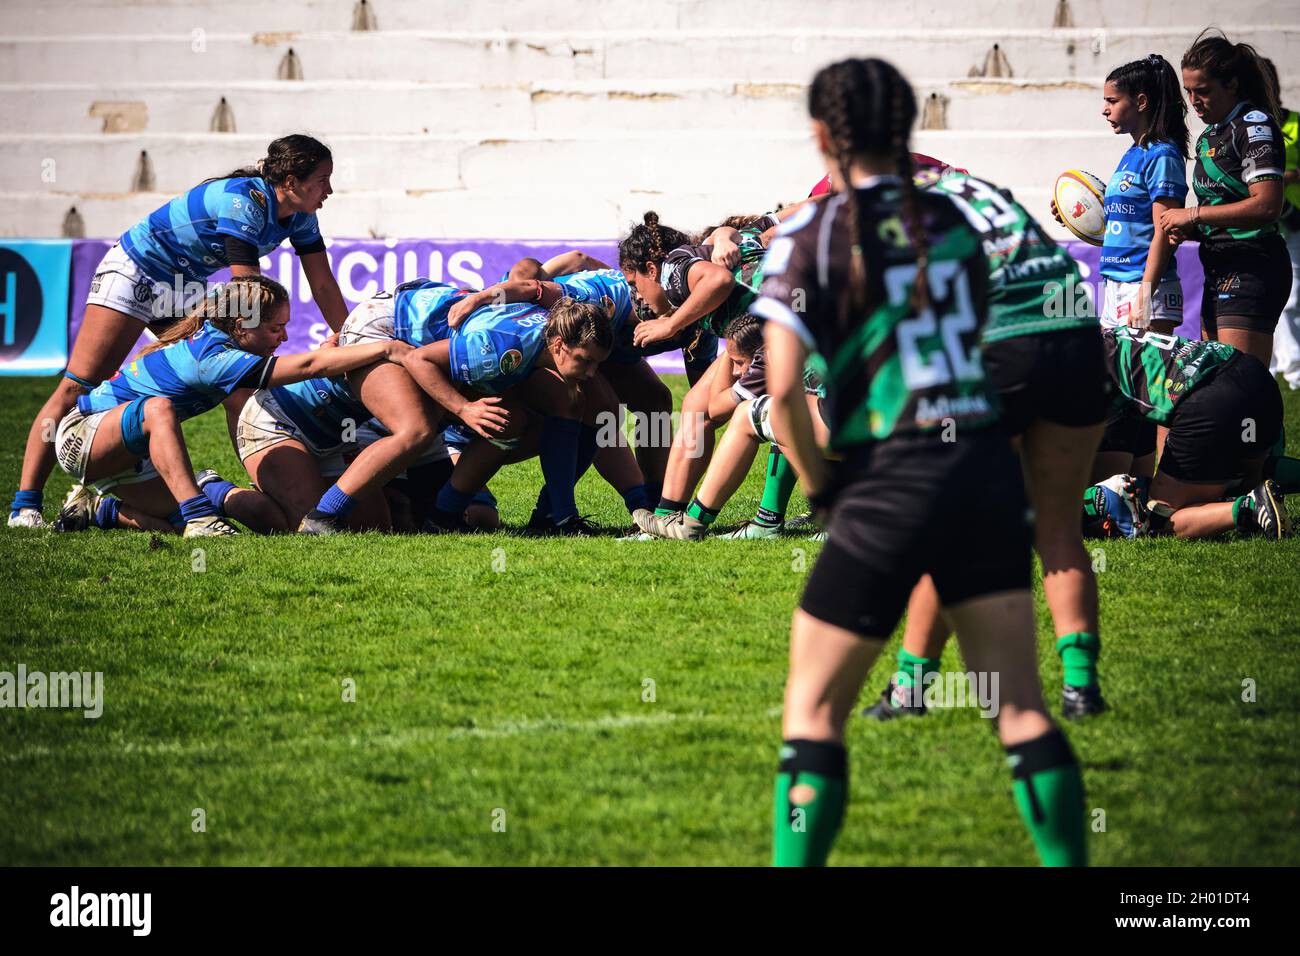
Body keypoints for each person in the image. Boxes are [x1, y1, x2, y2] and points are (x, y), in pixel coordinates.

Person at [759, 57, 1086, 866]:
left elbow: (784, 388)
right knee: (1020, 710)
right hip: (979, 467)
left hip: (888, 478)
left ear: (825, 134)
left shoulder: (812, 230)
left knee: (812, 716)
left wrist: (820, 482)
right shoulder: (951, 221)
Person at [866, 165, 1114, 722]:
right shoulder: (979, 189)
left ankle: (910, 689)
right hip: (1077, 336)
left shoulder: (896, 207)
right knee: (1057, 525)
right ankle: (1081, 690)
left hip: (1007, 343)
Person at [9, 134, 348, 528]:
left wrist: (349, 333)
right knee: (77, 384)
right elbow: (248, 292)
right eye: (323, 179)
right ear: (290, 181)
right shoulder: (246, 201)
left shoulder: (303, 215)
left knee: (237, 385)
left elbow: (323, 285)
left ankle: (267, 491)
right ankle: (25, 505)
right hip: (136, 270)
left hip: (182, 288)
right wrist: (266, 359)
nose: (329, 189)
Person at [51, 277, 408, 537]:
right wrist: (383, 348)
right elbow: (306, 367)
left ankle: (104, 509)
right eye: (276, 328)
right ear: (242, 325)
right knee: (157, 409)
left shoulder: (222, 345)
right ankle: (199, 517)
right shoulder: (216, 359)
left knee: (278, 524)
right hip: (85, 434)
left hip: (132, 455)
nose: (283, 337)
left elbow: (255, 401)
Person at [1161, 31, 1288, 367]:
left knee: (1242, 382)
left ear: (1231, 84)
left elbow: (1266, 205)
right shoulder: (1209, 135)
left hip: (1252, 264)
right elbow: (1221, 209)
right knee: (1218, 384)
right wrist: (1189, 229)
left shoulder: (1254, 126)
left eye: (1202, 91)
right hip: (1217, 263)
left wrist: (1193, 217)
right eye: (1188, 91)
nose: (1193, 100)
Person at [1095, 54, 1190, 335]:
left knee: (1146, 379)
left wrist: (1145, 295)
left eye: (1112, 101)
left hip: (1144, 285)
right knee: (1114, 379)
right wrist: (1072, 215)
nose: (1104, 110)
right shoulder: (1133, 153)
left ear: (1141, 102)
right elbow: (1121, 225)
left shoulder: (1162, 154)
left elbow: (1165, 230)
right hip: (1114, 284)